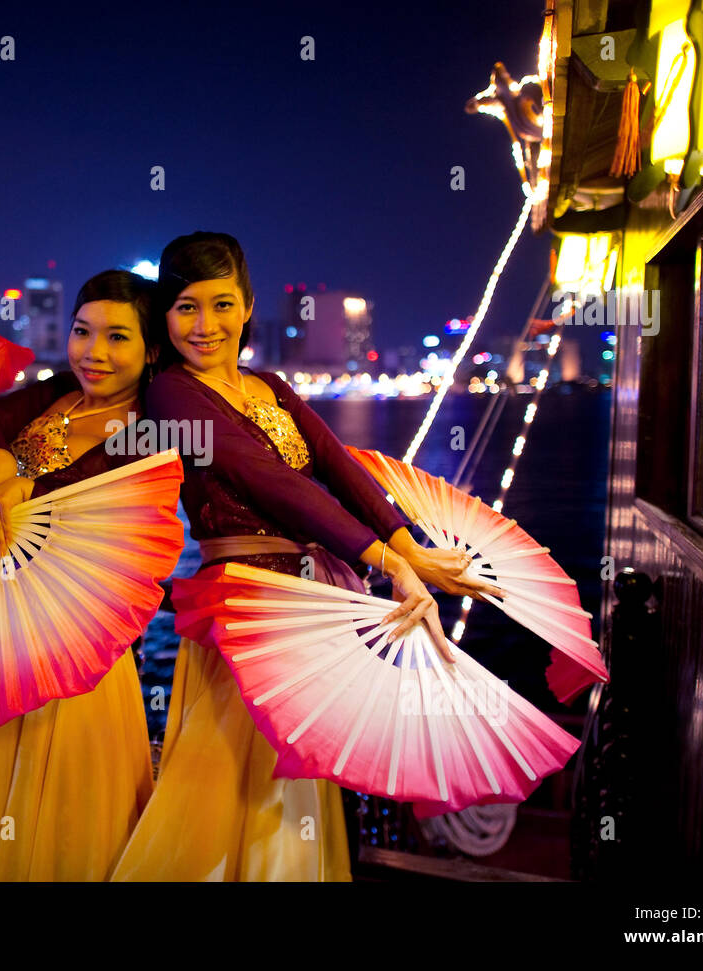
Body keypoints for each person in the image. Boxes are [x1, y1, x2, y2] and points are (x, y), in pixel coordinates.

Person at [109, 232, 502, 881]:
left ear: (247, 307)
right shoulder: (172, 396)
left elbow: (336, 466)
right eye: (185, 308)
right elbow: (271, 480)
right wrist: (386, 560)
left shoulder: (269, 386)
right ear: (165, 316)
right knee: (227, 786)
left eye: (221, 304)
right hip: (242, 609)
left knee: (293, 790)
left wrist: (409, 546)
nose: (205, 326)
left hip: (306, 604)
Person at [0, 269, 164, 880]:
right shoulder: (54, 398)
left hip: (76, 642)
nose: (95, 352)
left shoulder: (148, 430)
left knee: (68, 814)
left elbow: (86, 505)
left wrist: (14, 474)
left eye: (118, 337)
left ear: (151, 350)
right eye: (83, 332)